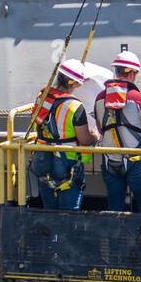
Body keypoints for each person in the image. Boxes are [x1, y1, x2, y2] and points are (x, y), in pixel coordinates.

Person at [94, 48, 141, 213]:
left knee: (115, 209)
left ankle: (116, 238)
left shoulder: (100, 98)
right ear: (132, 74)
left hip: (110, 161)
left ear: (116, 70)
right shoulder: (138, 98)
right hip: (135, 161)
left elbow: (101, 130)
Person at [31, 59, 98, 210]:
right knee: (69, 214)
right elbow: (85, 139)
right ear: (73, 82)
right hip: (67, 163)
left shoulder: (42, 96)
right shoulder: (75, 106)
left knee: (49, 211)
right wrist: (95, 136)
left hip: (42, 159)